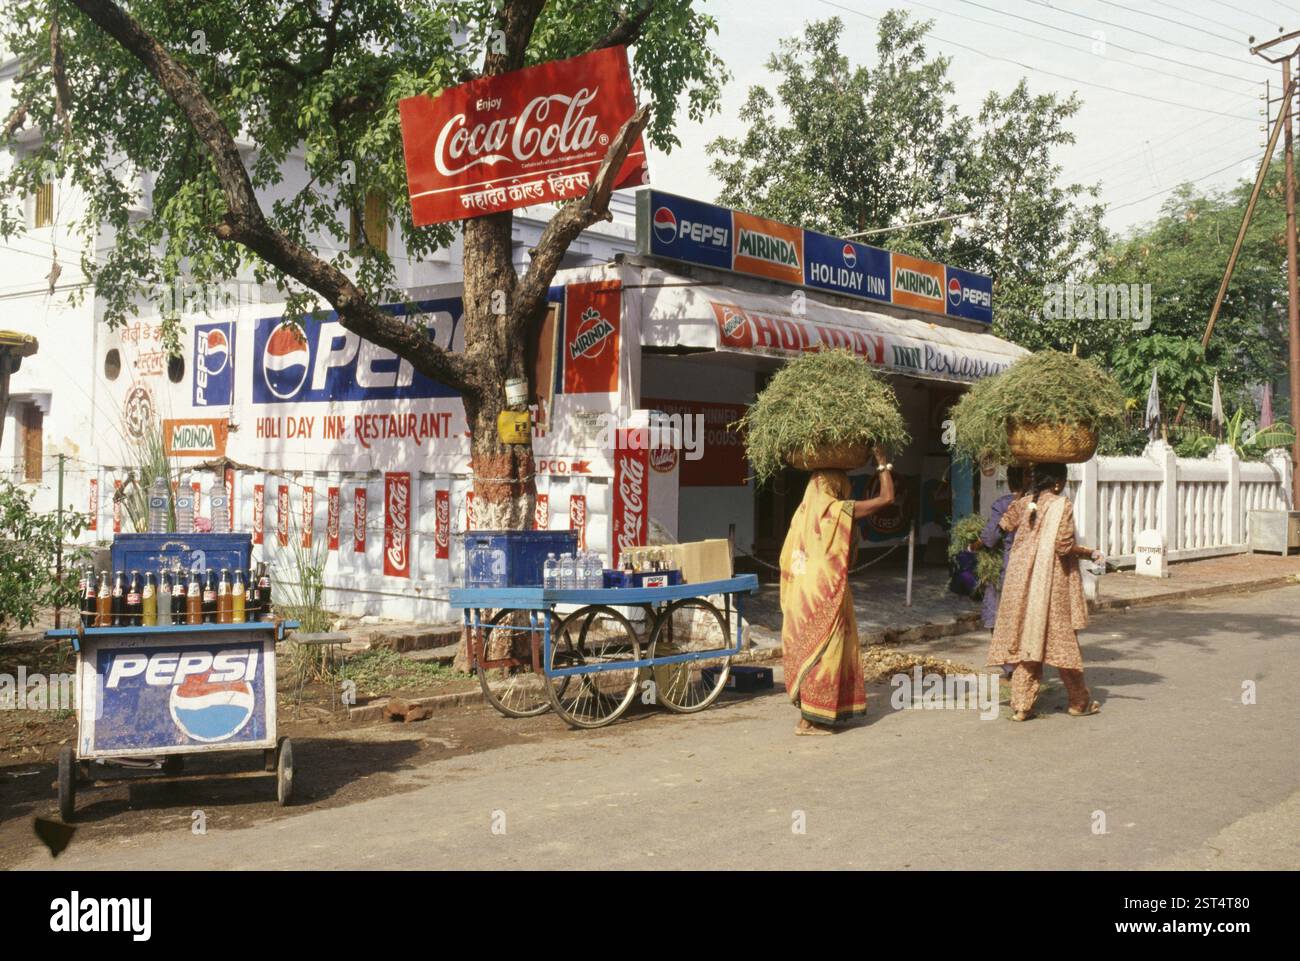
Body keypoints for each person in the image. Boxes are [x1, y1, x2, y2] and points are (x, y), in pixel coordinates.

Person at [781, 447, 895, 736]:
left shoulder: (802, 516)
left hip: (799, 597)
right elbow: (887, 499)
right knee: (825, 652)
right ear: (835, 487)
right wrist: (882, 465)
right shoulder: (836, 510)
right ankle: (815, 719)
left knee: (810, 652)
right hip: (825, 593)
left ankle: (807, 717)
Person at [988, 462, 1102, 722]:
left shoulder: (1024, 503)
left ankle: (1021, 706)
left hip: (1020, 584)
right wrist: (1088, 552)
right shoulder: (1062, 505)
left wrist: (1024, 499)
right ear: (1058, 483)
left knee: (1029, 640)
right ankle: (1078, 701)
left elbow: (1004, 524)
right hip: (1049, 584)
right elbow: (1063, 546)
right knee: (1061, 642)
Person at [971, 466, 1026, 636]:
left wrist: (974, 545)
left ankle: (1000, 640)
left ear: (1010, 482)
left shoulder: (1004, 505)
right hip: (1033, 562)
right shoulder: (1038, 504)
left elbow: (991, 537)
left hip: (1010, 562)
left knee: (996, 592)